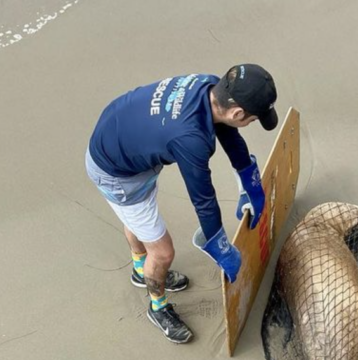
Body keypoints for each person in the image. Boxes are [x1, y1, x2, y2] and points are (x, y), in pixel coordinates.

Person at [86, 65, 278, 344]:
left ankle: (141, 269)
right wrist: (219, 244)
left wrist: (247, 175)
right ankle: (157, 306)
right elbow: (203, 199)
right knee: (162, 252)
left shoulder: (210, 87)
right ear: (238, 113)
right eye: (252, 120)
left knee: (139, 220)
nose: (249, 124)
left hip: (122, 136)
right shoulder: (190, 139)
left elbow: (228, 133)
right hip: (116, 172)